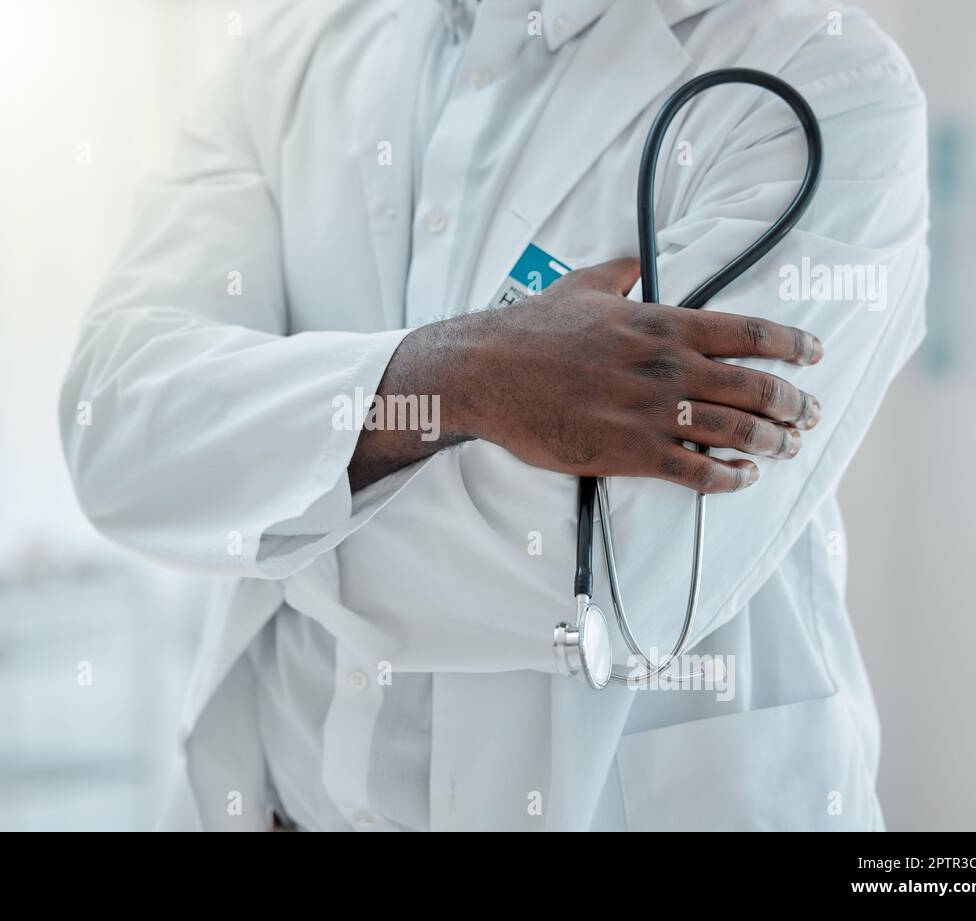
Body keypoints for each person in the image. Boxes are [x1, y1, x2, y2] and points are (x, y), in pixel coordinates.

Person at [59, 0, 928, 831]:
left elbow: (616, 571)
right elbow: (115, 422)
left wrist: (254, 496)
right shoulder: (287, 54)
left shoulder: (816, 80)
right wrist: (460, 375)